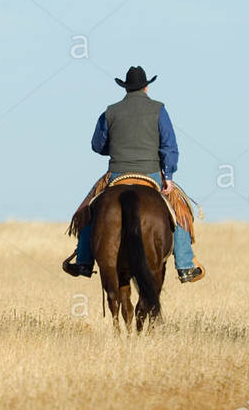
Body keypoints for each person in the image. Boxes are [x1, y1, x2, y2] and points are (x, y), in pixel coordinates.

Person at [63, 66, 205, 283]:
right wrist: (168, 177)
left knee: (87, 211)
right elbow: (169, 145)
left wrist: (117, 146)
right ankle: (185, 266)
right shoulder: (159, 109)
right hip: (152, 172)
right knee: (181, 212)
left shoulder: (110, 111)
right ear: (146, 87)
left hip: (117, 172)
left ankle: (83, 261)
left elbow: (97, 145)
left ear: (125, 88)